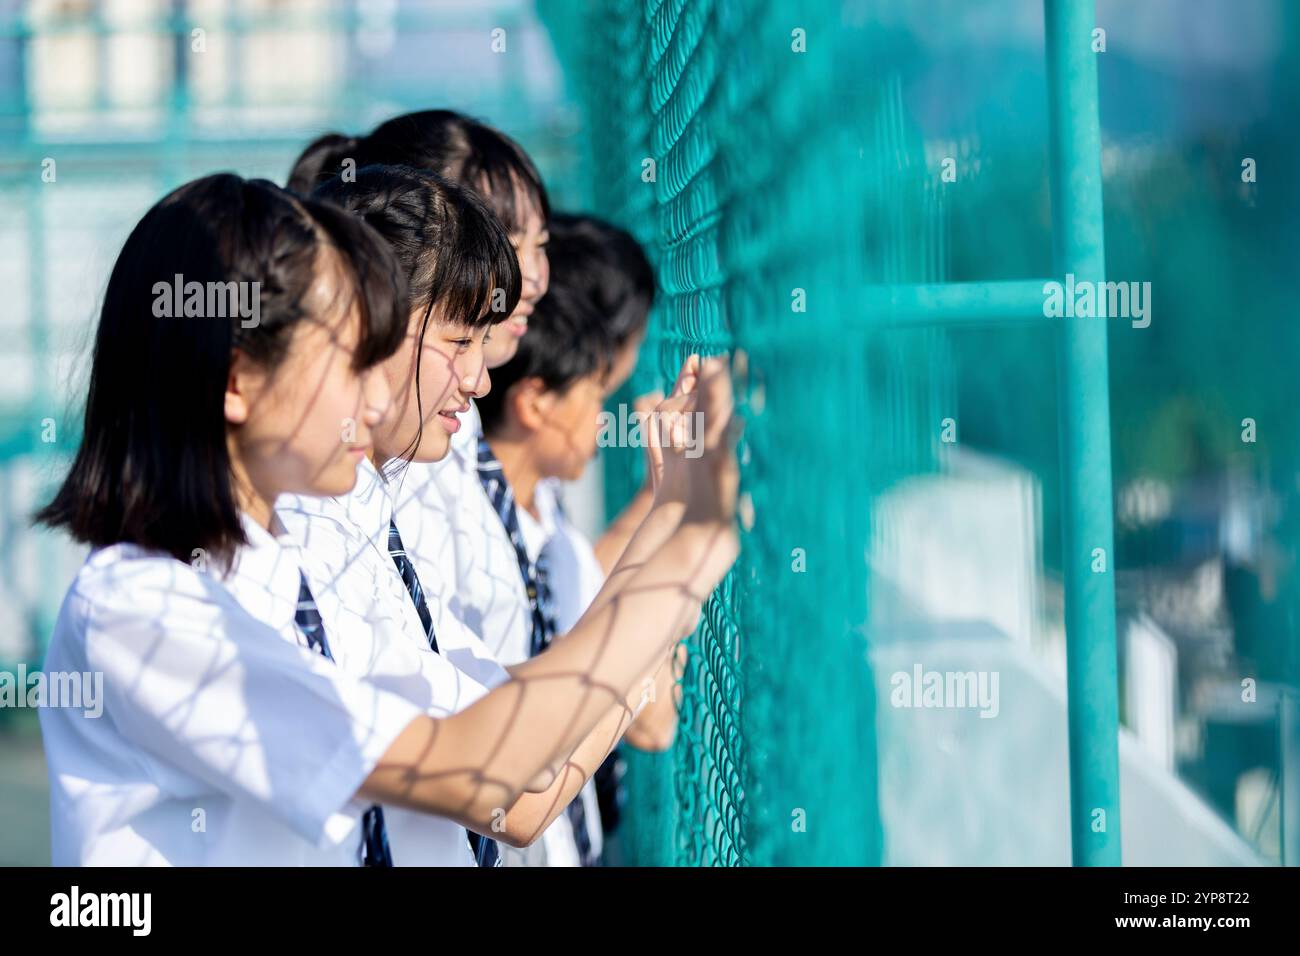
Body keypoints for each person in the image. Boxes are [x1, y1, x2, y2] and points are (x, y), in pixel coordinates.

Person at [36, 172, 740, 866]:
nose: (373, 403)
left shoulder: (306, 565)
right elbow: (484, 772)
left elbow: (519, 775)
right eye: (353, 362)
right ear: (237, 382)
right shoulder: (142, 611)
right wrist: (688, 548)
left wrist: (672, 533)